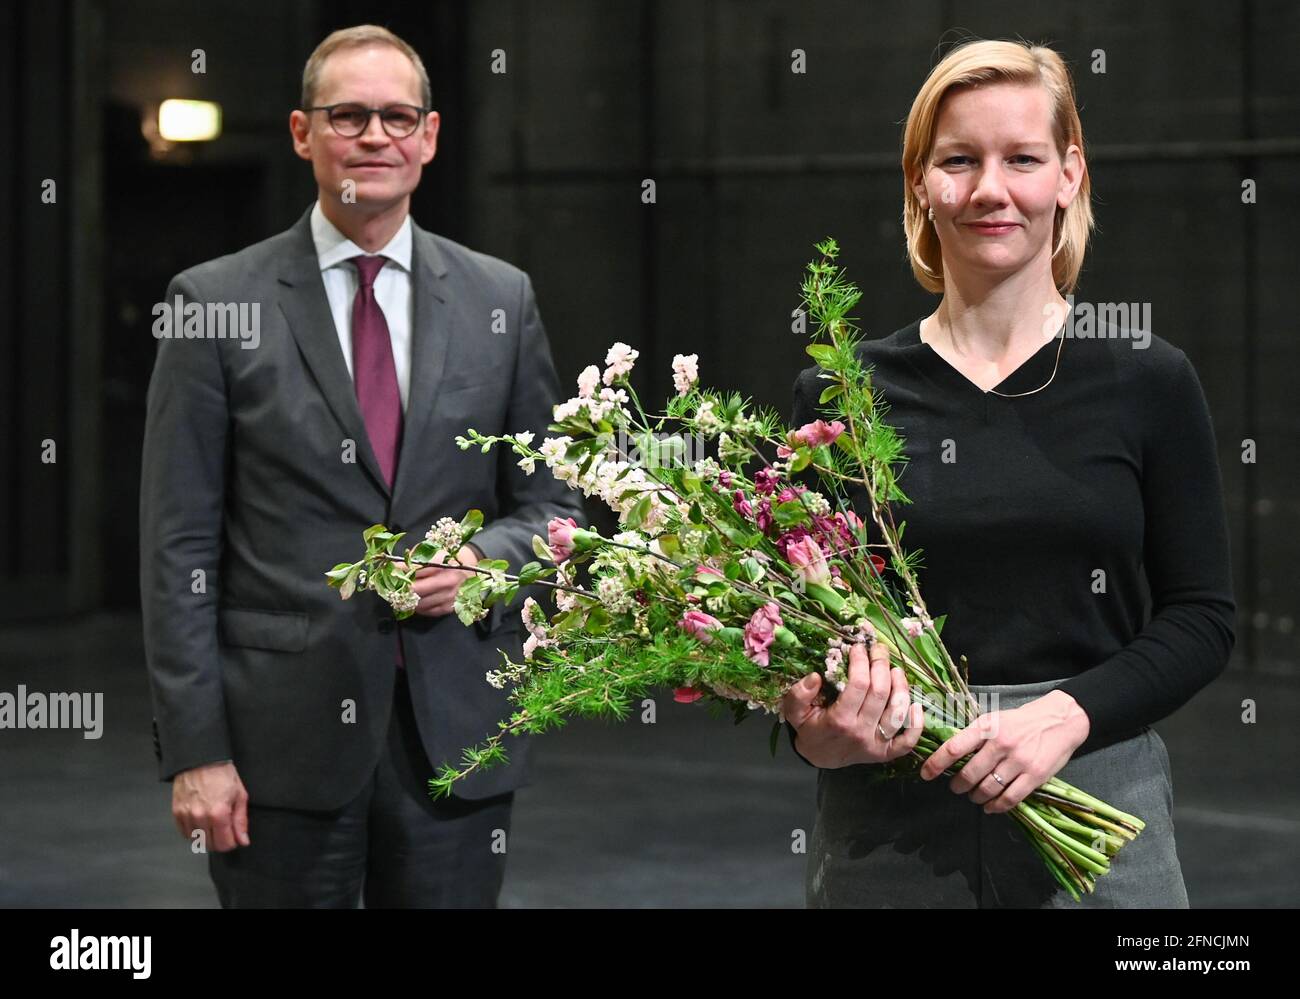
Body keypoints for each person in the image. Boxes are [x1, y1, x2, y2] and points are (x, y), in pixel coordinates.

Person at [781, 38, 1235, 908]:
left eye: (1022, 158)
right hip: (887, 832)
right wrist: (816, 733)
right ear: (920, 181)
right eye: (959, 160)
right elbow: (798, 641)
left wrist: (1063, 716)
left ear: (1068, 175)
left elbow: (1202, 618)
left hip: (1097, 812)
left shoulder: (1146, 376)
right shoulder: (841, 392)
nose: (991, 189)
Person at [140, 24, 583, 908]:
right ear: (304, 134)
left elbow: (554, 507)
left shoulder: (503, 298)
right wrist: (196, 750)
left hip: (455, 740)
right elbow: (176, 544)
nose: (375, 136)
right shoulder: (214, 301)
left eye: (397, 116)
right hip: (276, 751)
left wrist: (483, 561)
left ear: (430, 136)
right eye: (349, 116)